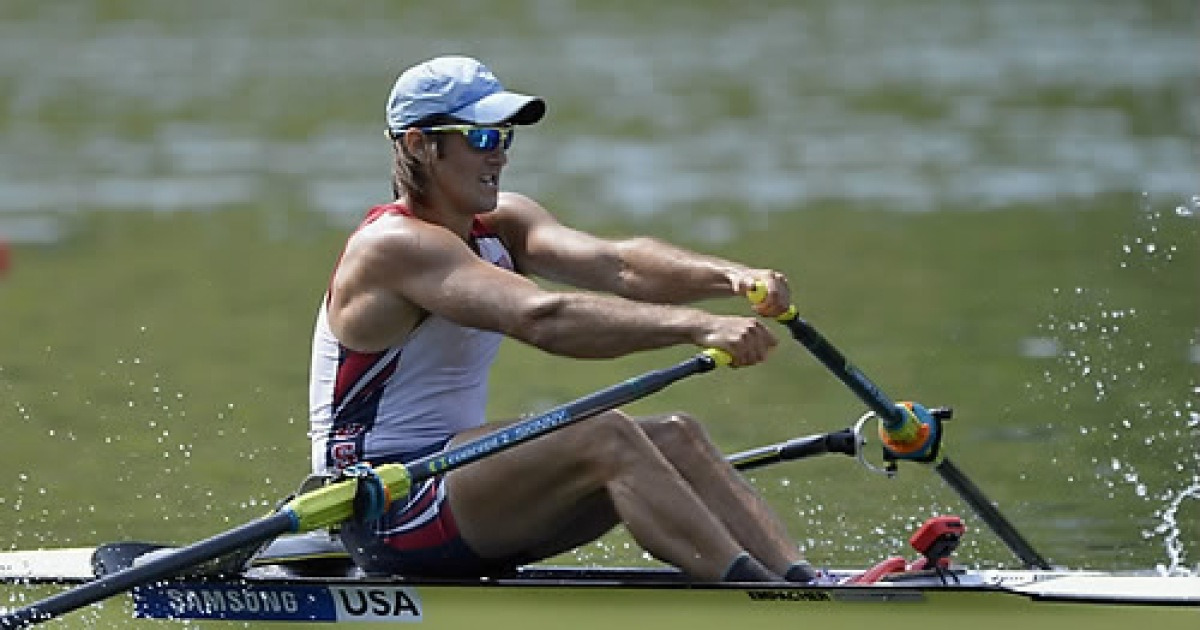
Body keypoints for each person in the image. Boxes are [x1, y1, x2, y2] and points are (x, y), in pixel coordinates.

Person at [308, 55, 815, 583]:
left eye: (504, 136)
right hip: (384, 505)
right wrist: (697, 326)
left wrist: (731, 276)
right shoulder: (393, 246)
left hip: (452, 487)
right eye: (480, 138)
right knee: (606, 435)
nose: (499, 156)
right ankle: (759, 596)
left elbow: (618, 265)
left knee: (676, 437)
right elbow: (542, 318)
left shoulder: (503, 223)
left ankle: (805, 584)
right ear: (417, 144)